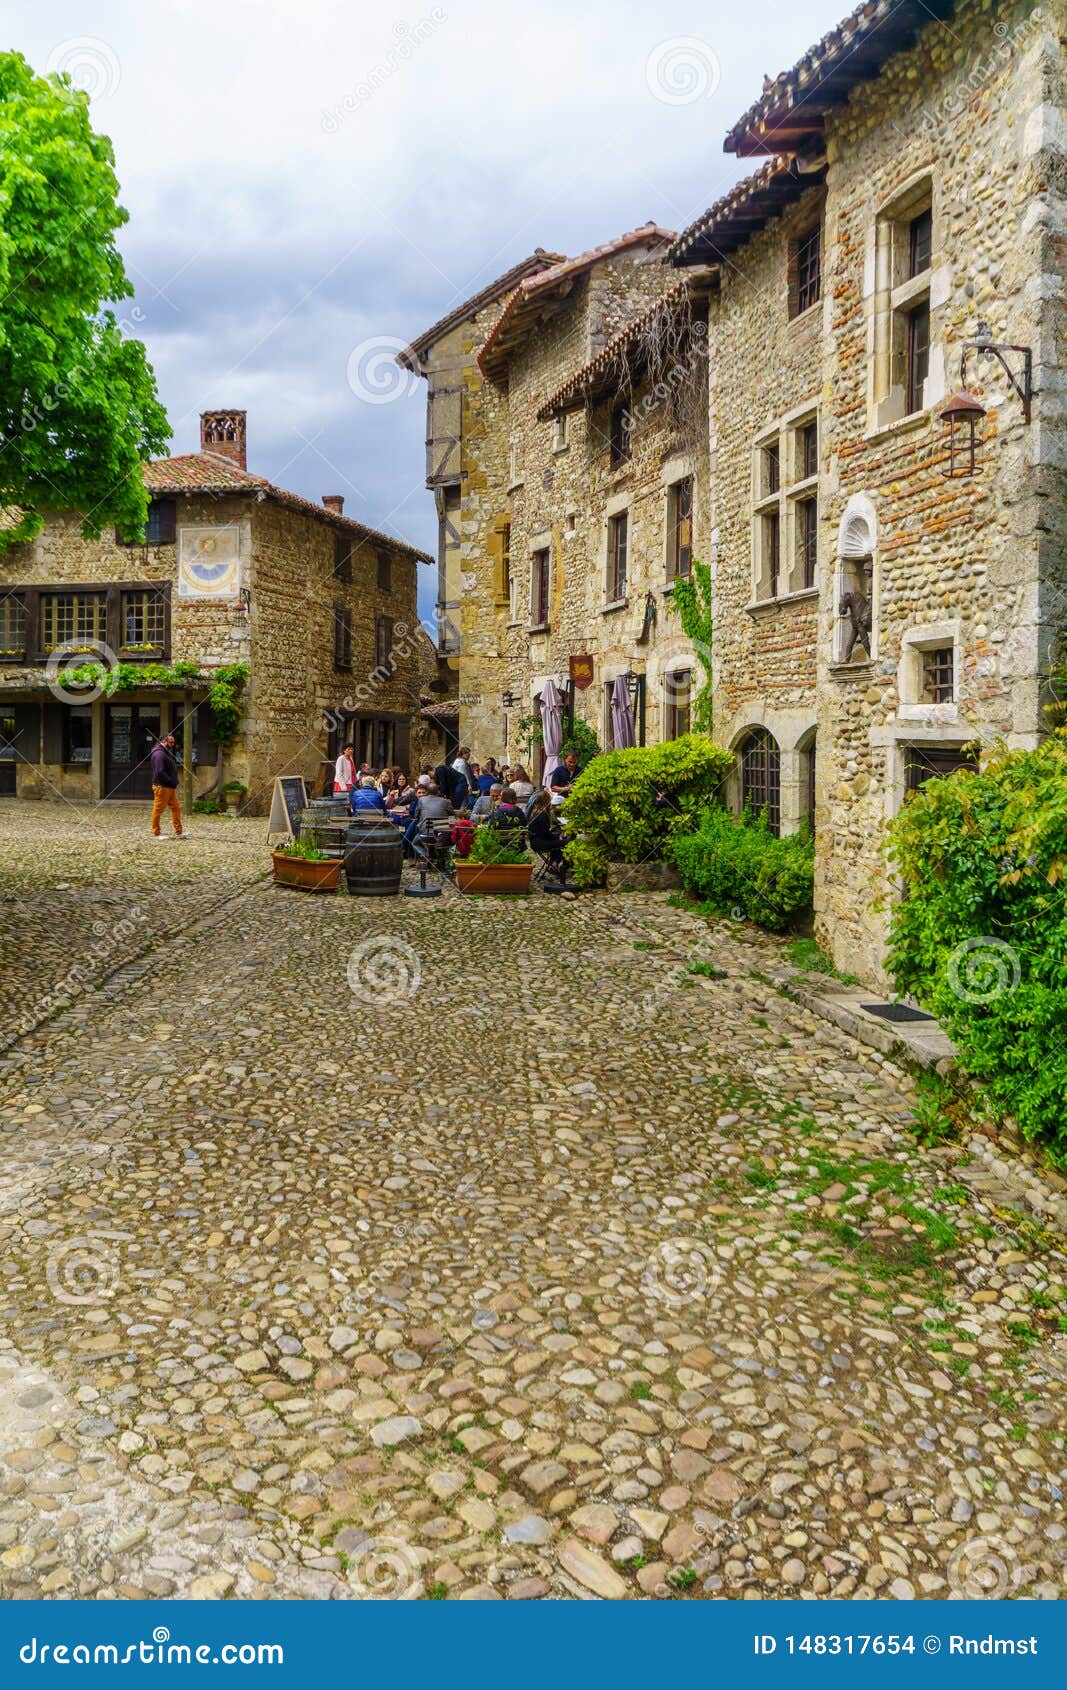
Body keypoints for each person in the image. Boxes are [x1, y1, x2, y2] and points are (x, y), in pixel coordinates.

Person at [150, 733, 185, 840]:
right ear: (164, 741)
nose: (173, 744)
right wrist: (170, 781)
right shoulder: (159, 754)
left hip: (169, 787)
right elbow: (159, 772)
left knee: (176, 808)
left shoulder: (165, 752)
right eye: (171, 742)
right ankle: (156, 833)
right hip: (163, 787)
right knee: (158, 810)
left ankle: (179, 832)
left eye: (173, 742)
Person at [527, 789, 566, 878]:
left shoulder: (535, 812)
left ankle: (553, 863)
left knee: (558, 843)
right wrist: (556, 837)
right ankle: (555, 863)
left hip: (536, 841)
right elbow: (546, 834)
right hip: (540, 843)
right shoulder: (543, 815)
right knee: (565, 842)